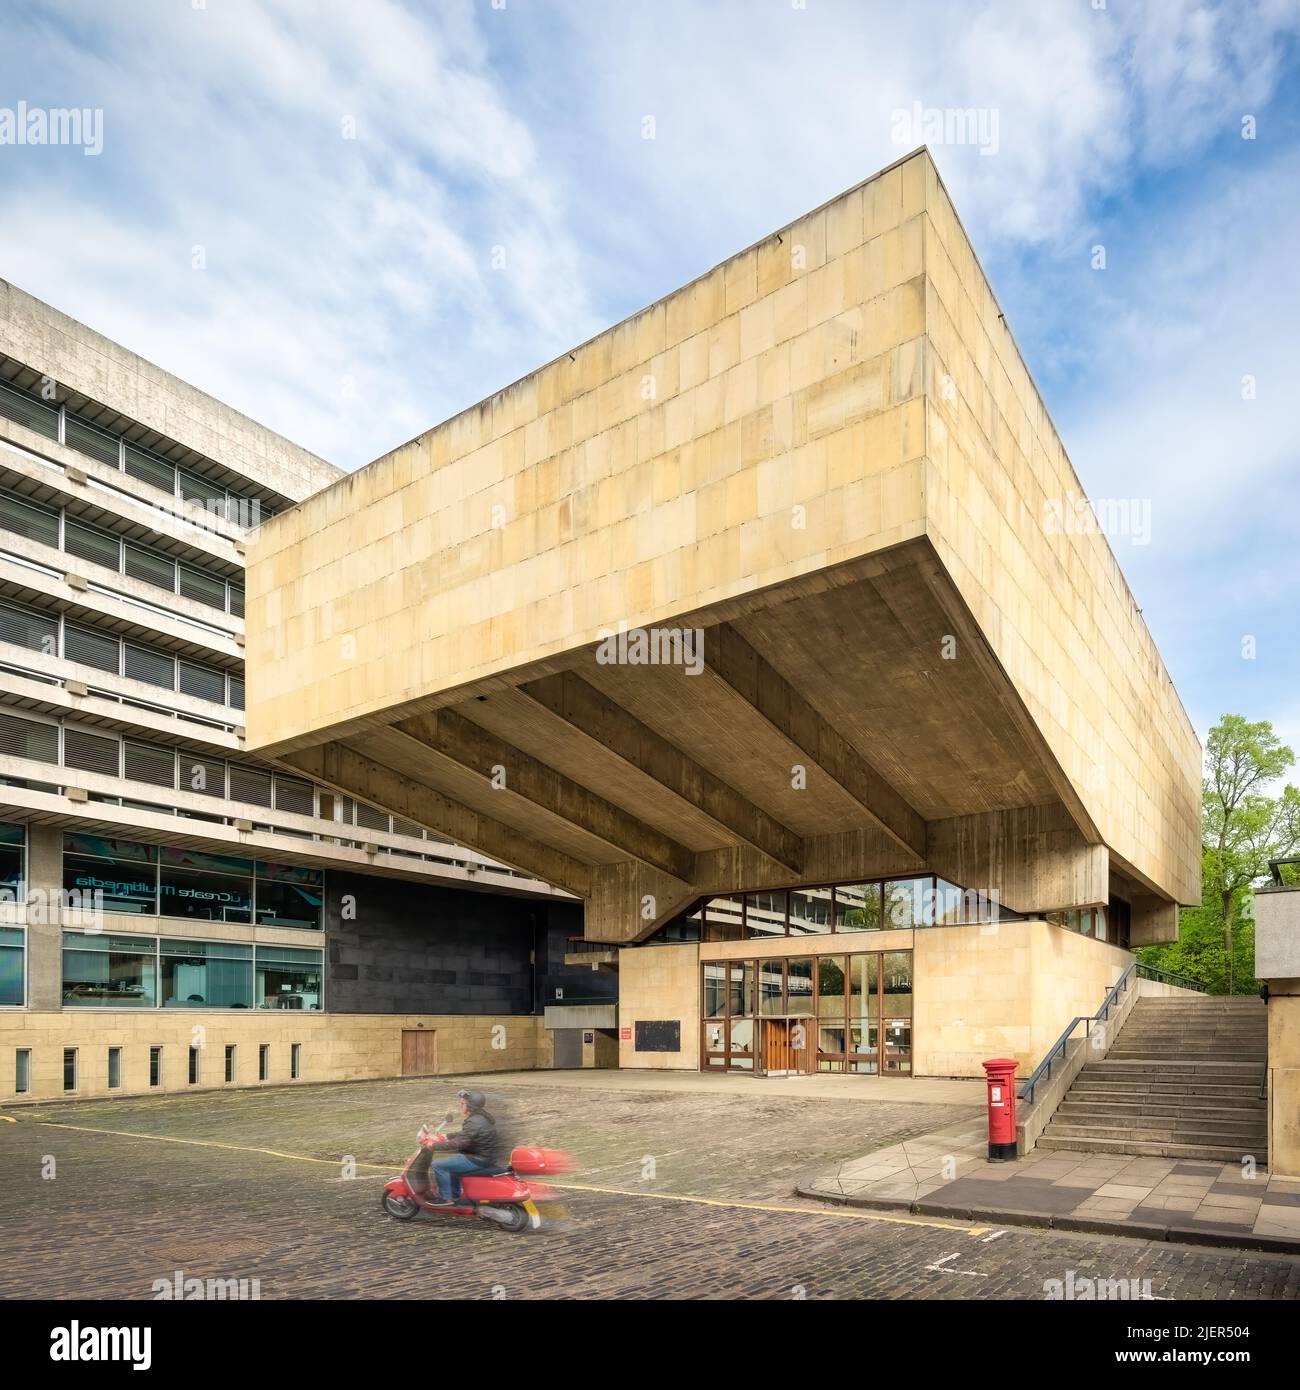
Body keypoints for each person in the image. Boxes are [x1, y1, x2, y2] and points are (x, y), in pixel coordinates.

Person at [423, 1089, 502, 1203]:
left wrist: (434, 1145)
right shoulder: (480, 1118)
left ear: (471, 1105)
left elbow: (458, 1143)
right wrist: (445, 1136)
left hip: (477, 1158)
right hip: (482, 1155)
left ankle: (445, 1198)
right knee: (452, 1167)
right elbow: (466, 1134)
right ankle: (455, 1196)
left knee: (437, 1165)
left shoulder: (474, 1121)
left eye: (462, 1103)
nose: (460, 1105)